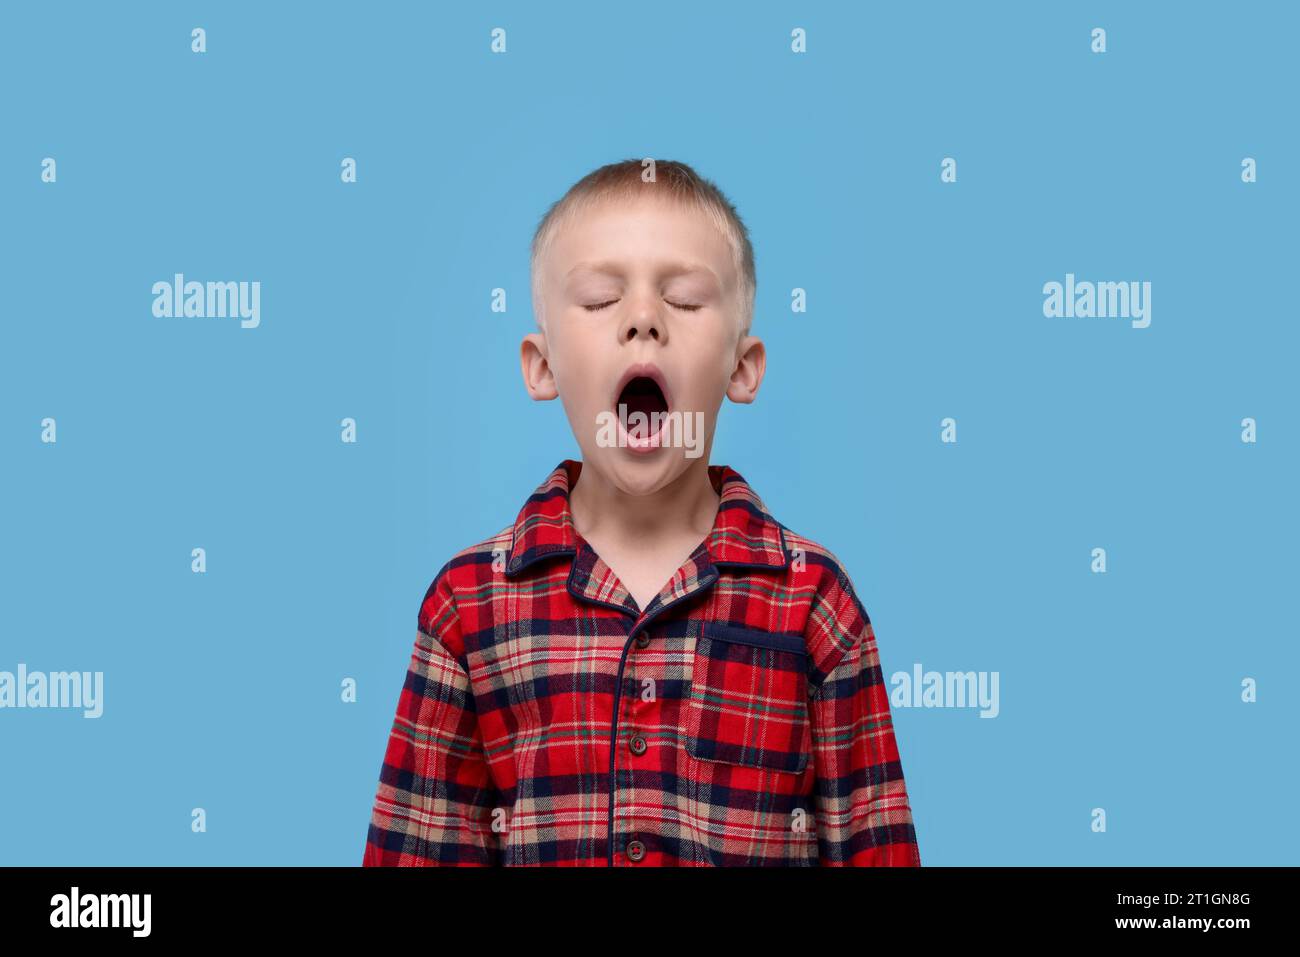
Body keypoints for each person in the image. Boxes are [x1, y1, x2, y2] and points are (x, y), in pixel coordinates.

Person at [363, 158, 921, 866]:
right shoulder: (468, 606)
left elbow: (878, 848)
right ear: (542, 366)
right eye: (599, 299)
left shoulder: (815, 601)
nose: (643, 321)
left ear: (742, 368)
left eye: (685, 300)